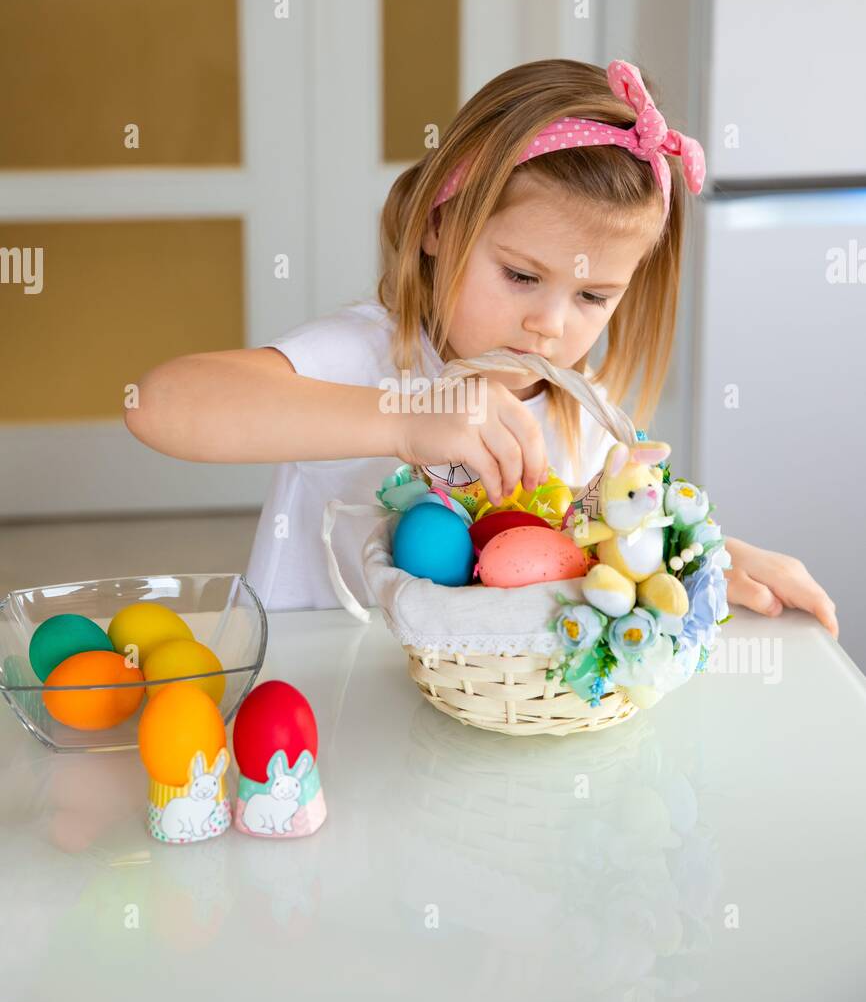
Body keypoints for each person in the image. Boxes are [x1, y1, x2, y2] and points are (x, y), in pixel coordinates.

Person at [125, 58, 838, 638]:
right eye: (522, 276)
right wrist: (404, 420)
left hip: (480, 728)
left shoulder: (578, 412)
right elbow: (157, 406)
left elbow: (598, 547)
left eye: (593, 297)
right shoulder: (374, 352)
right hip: (328, 709)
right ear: (440, 224)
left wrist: (704, 555)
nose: (549, 326)